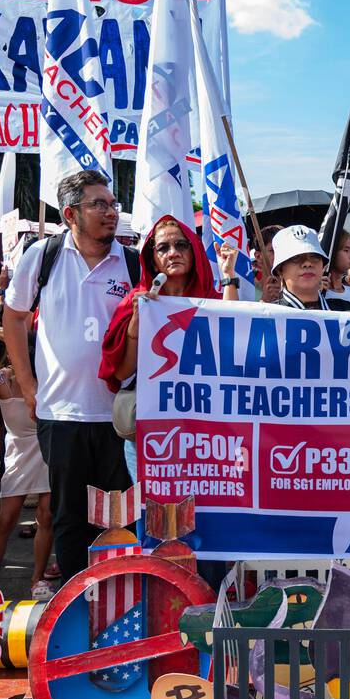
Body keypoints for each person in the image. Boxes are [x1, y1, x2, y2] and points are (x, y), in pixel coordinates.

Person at [3, 172, 138, 581]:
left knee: (120, 521)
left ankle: (121, 602)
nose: (110, 212)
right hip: (61, 415)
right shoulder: (42, 257)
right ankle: (76, 606)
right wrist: (27, 386)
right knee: (68, 517)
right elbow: (12, 317)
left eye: (112, 204)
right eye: (98, 204)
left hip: (121, 418)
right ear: (70, 214)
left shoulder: (133, 262)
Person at [98, 214, 238, 542]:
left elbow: (234, 333)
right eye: (163, 247)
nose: (172, 252)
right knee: (160, 524)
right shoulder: (137, 302)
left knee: (206, 519)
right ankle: (161, 591)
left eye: (180, 245)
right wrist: (136, 321)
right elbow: (121, 373)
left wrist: (229, 277)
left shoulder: (211, 300)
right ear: (152, 257)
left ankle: (208, 592)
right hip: (153, 436)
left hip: (205, 436)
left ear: (194, 252)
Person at [0, 339, 54, 600]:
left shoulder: (51, 379)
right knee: (5, 520)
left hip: (48, 451)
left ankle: (37, 580)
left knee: (47, 516)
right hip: (17, 454)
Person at [271, 225, 350, 311]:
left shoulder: (349, 310)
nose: (307, 263)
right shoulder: (267, 318)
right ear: (279, 269)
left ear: (323, 265)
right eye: (296, 257)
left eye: (314, 256)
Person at [254, 224, 284, 304]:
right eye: (273, 250)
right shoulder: (247, 290)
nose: (281, 254)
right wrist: (264, 301)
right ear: (258, 256)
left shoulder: (302, 287)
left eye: (284, 249)